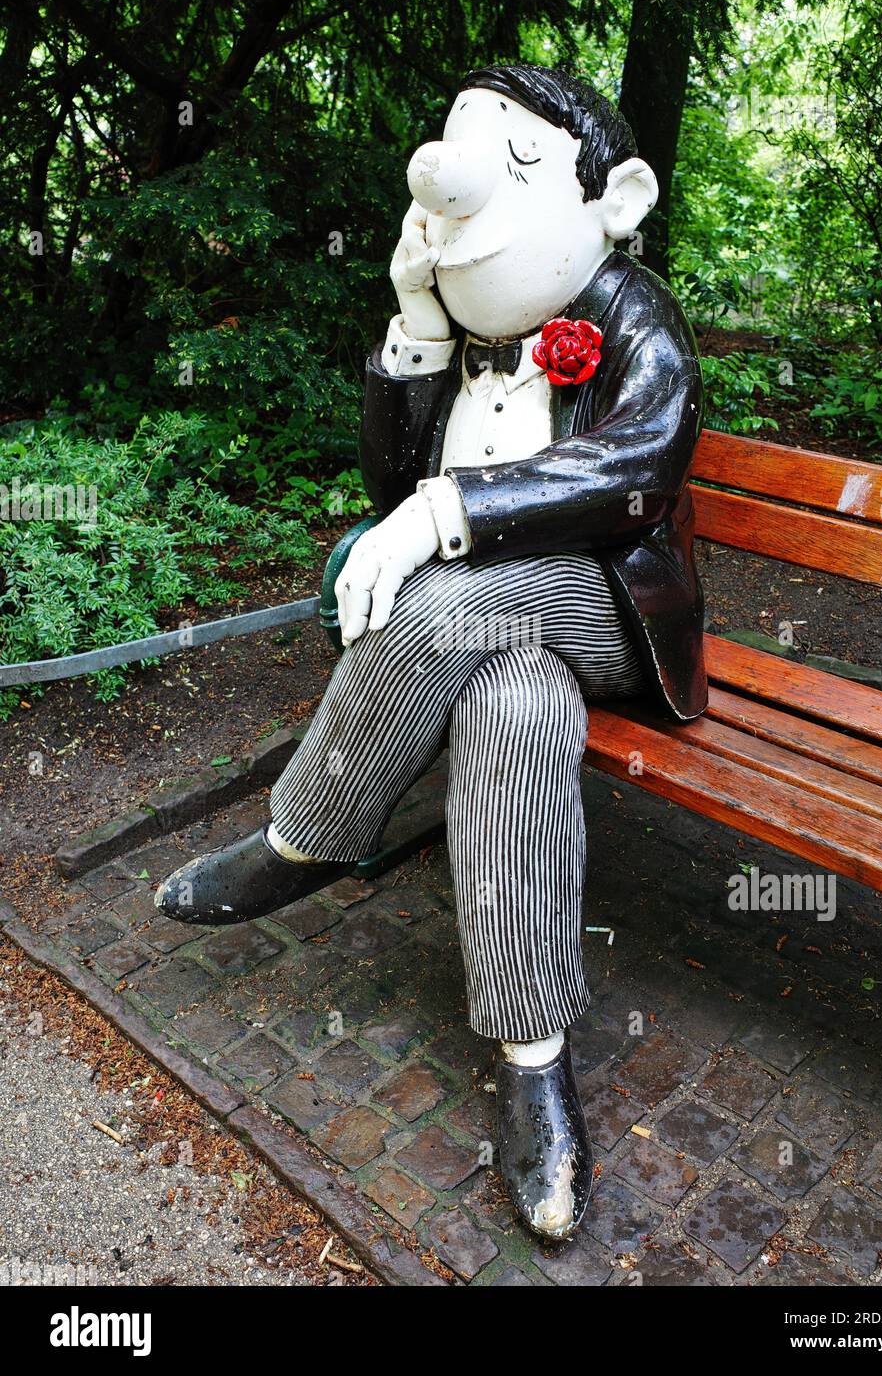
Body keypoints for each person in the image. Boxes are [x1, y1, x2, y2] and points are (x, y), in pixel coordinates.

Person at [156, 63, 706, 1240]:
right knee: (512, 711)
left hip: (606, 606)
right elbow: (387, 481)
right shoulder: (463, 330)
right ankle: (533, 1059)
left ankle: (305, 836)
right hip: (516, 640)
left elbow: (638, 467)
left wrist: (441, 515)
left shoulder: (631, 314)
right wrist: (415, 322)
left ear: (617, 200)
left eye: (514, 167)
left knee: (446, 609)